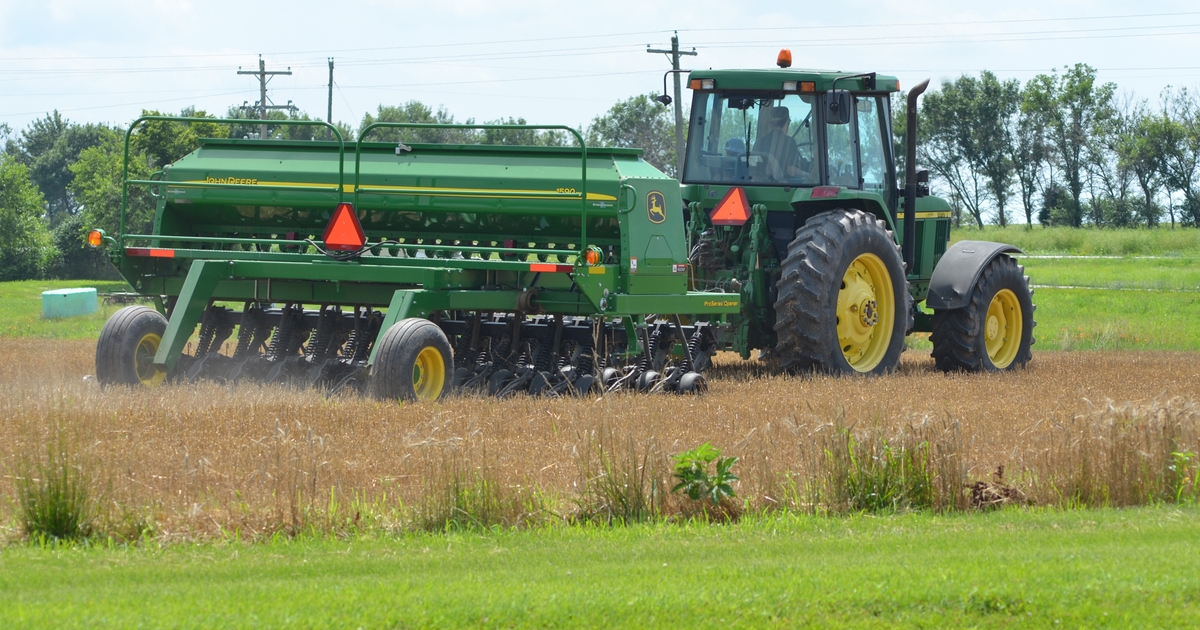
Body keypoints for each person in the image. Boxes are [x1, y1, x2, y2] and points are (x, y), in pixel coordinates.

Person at [752, 107, 811, 182]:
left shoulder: (759, 142)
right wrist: (808, 175)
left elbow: (753, 167)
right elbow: (791, 171)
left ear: (770, 123)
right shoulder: (790, 142)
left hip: (759, 185)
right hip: (781, 187)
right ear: (788, 122)